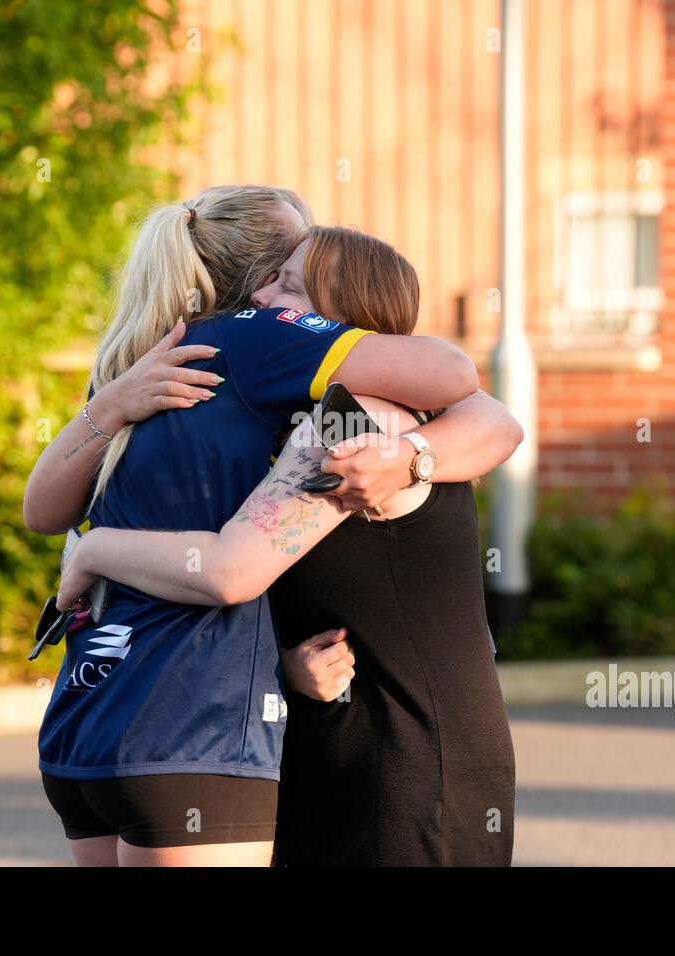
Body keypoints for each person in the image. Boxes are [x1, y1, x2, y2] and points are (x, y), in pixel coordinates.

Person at [25, 188, 511, 867]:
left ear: (345, 328)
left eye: (294, 289)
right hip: (267, 745)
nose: (268, 303)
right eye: (278, 277)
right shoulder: (232, 373)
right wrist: (284, 663)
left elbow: (232, 567)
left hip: (399, 759)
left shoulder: (352, 412)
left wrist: (94, 547)